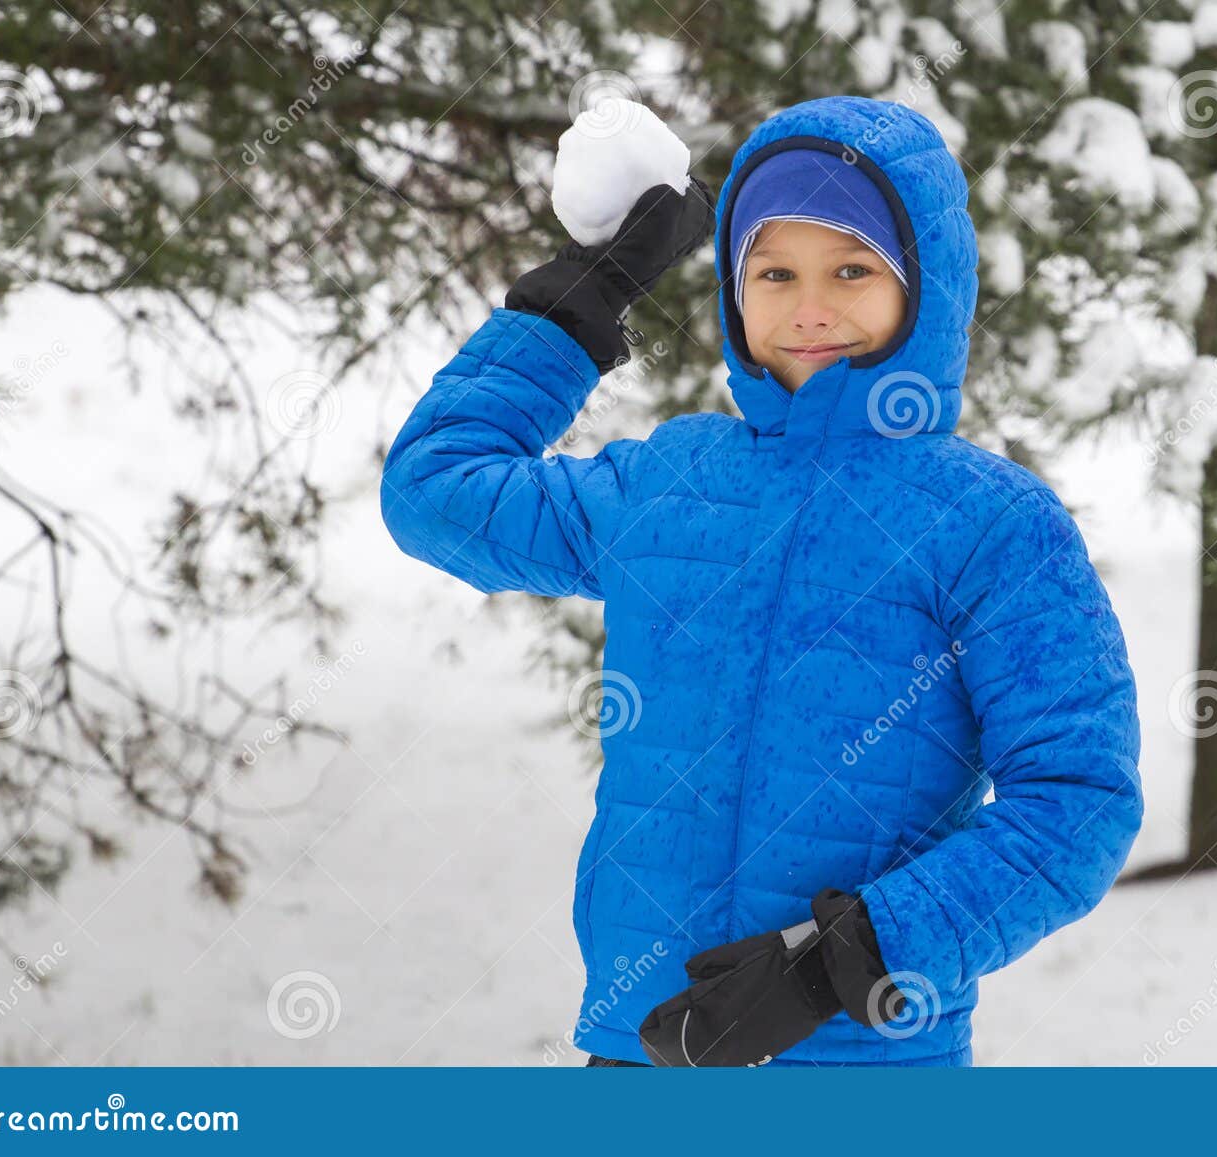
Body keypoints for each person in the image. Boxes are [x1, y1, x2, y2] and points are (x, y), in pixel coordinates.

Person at [380, 94, 1144, 1067]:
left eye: (853, 269)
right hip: (642, 1052)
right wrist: (586, 291)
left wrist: (836, 963)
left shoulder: (990, 522)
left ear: (927, 288)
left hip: (867, 1071)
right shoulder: (672, 482)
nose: (809, 306)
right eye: (773, 271)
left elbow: (1076, 799)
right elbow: (435, 491)